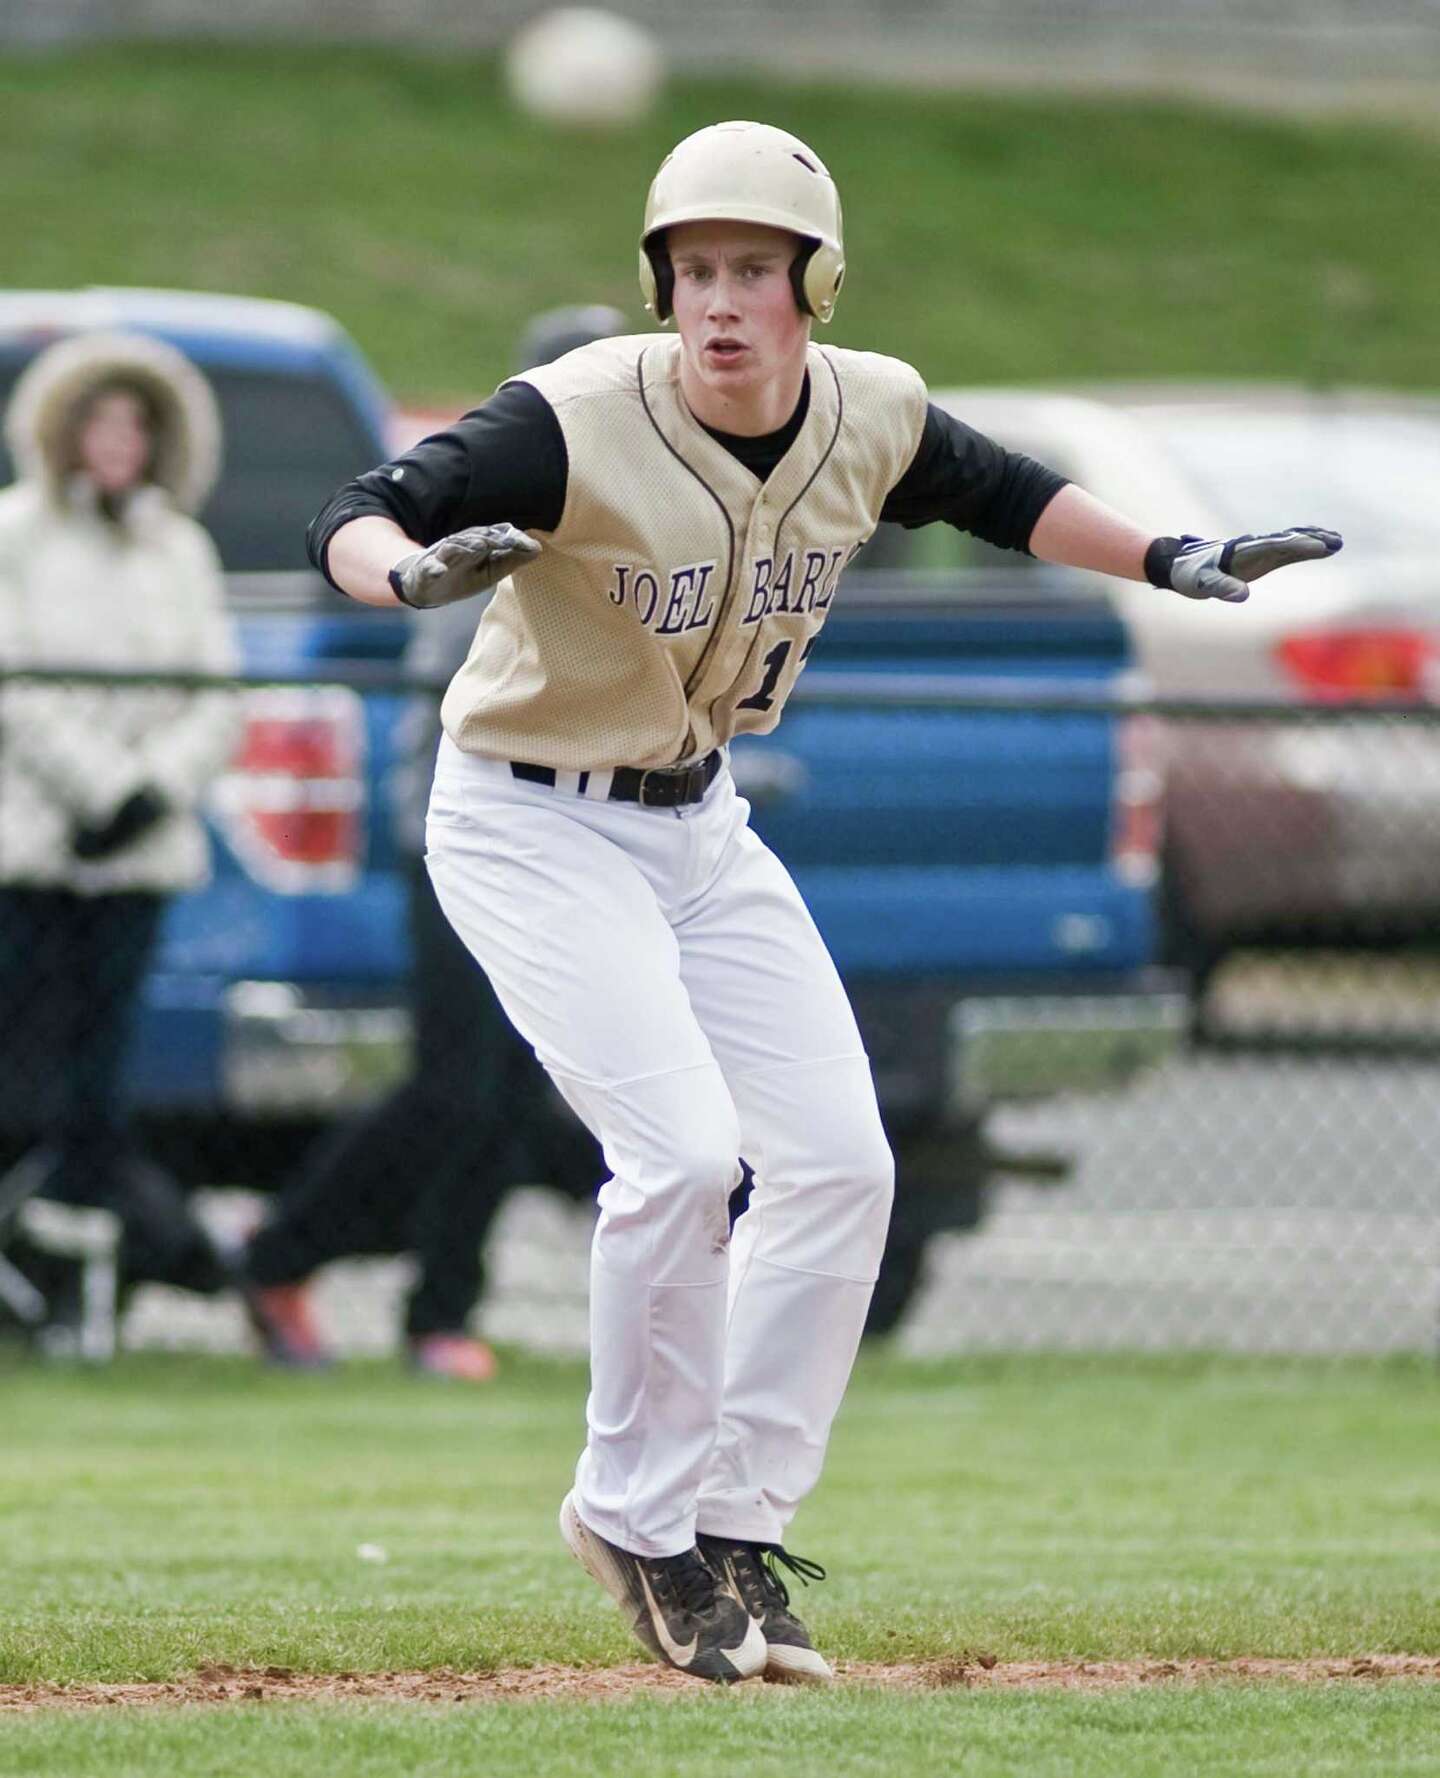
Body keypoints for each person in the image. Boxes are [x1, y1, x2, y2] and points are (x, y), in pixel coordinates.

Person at [303, 121, 1342, 1685]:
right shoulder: (579, 414)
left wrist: (1175, 552)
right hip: (529, 818)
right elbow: (362, 506)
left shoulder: (869, 410)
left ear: (815, 285)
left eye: (753, 269)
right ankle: (629, 1514)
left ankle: (730, 1520)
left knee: (842, 1168)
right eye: (693, 269)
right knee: (680, 1161)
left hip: (698, 818)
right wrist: (406, 573)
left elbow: (1009, 494)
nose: (719, 299)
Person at [238, 308, 627, 1381]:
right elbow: (498, 676)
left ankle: (433, 1312)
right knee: (456, 1088)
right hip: (467, 839)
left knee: (507, 1090)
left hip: (573, 846)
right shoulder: (493, 521)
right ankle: (281, 1256)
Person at [0, 330, 243, 1343]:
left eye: (135, 424)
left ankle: (84, 1287)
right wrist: (93, 790)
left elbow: (218, 691)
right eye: (100, 421)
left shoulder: (179, 547)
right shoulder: (16, 533)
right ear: (65, 431)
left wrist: (149, 792)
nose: (117, 441)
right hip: (37, 844)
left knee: (98, 1091)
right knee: (22, 1080)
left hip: (138, 854)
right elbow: (19, 676)